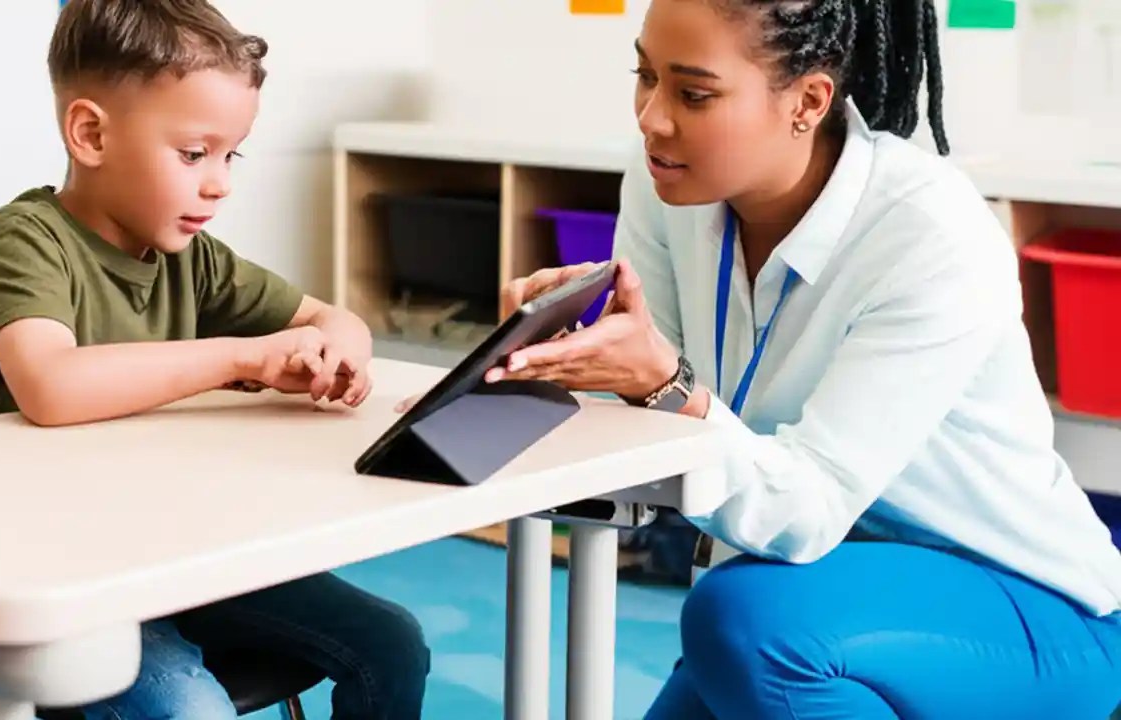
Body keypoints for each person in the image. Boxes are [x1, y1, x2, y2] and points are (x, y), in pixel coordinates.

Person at [480, 0, 1121, 717]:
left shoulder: (929, 233)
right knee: (744, 628)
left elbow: (806, 507)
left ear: (809, 101)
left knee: (743, 626)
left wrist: (663, 383)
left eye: (694, 94)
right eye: (645, 75)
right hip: (806, 602)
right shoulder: (666, 183)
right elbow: (652, 428)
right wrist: (540, 369)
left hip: (1027, 612)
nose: (652, 118)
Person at [0, 0, 429, 717]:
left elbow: (334, 317)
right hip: (50, 584)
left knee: (392, 643)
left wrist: (338, 352)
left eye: (231, 154)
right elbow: (51, 386)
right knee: (192, 708)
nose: (219, 182)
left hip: (169, 557)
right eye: (194, 153)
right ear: (89, 134)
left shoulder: (190, 259)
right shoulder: (26, 240)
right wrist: (245, 357)